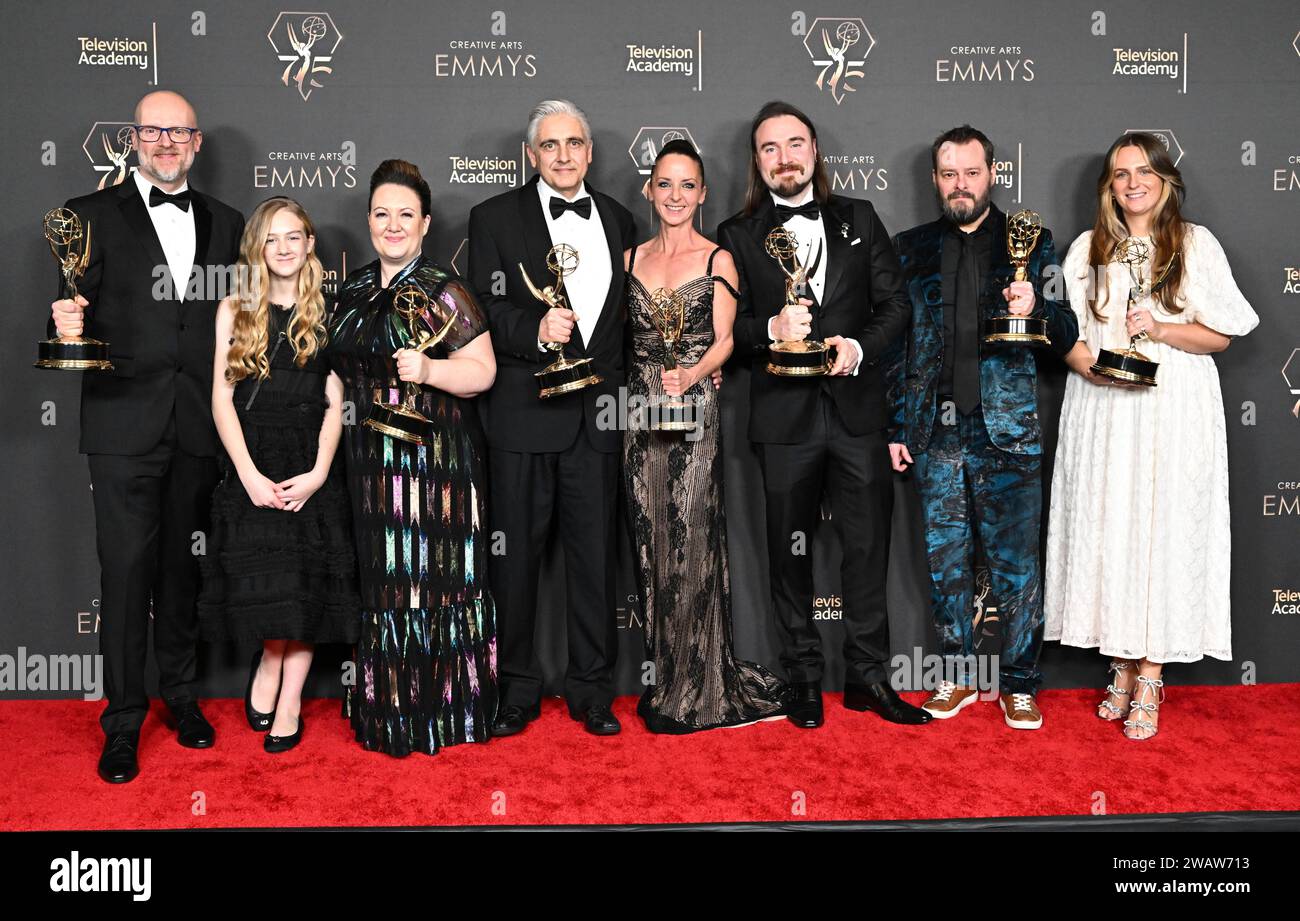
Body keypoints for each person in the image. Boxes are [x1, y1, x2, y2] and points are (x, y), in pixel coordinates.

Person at [48, 91, 244, 783]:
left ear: (196, 143)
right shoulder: (87, 218)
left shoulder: (228, 223)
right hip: (122, 426)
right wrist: (67, 323)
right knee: (127, 578)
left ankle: (183, 699)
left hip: (197, 425)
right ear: (134, 138)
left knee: (182, 574)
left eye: (180, 132)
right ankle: (124, 721)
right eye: (155, 130)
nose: (167, 142)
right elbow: (73, 305)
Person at [716, 100, 928, 729]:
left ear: (814, 150)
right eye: (770, 148)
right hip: (783, 422)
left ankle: (869, 680)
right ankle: (802, 679)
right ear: (757, 161)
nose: (785, 157)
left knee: (867, 551)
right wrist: (772, 328)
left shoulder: (859, 218)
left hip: (857, 413)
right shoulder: (736, 234)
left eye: (795, 144)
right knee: (789, 554)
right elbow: (728, 332)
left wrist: (858, 348)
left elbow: (896, 306)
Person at [1045, 133, 1258, 740]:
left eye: (1144, 171)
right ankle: (1118, 662)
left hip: (1175, 405)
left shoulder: (1194, 243)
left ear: (1166, 180)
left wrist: (1161, 329)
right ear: (1108, 185)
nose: (1132, 182)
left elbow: (1220, 335)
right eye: (1119, 173)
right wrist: (1101, 374)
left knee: (1164, 526)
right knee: (1110, 525)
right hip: (1105, 405)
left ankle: (1152, 671)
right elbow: (1068, 334)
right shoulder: (1088, 249)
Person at [887, 126, 1079, 730]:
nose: (960, 186)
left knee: (1016, 565)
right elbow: (897, 348)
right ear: (935, 180)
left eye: (971, 173)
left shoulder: (1032, 241)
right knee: (945, 565)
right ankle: (956, 678)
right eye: (948, 175)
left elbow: (1067, 334)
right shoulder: (909, 248)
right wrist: (898, 426)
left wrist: (1038, 310)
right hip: (934, 433)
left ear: (991, 173)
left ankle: (1020, 683)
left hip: (1009, 431)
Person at [467, 100, 636, 737]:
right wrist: (532, 328)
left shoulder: (621, 220)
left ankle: (591, 688)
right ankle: (516, 687)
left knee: (594, 563)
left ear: (590, 153)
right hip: (521, 418)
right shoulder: (494, 218)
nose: (563, 156)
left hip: (596, 423)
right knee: (514, 564)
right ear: (531, 155)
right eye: (550, 146)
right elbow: (481, 307)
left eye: (574, 144)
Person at [327, 159, 498, 757]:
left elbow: (483, 373)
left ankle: (444, 712)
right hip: (369, 463)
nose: (392, 225)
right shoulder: (349, 291)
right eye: (381, 214)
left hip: (437, 463)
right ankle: (388, 710)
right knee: (387, 581)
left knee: (436, 579)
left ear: (425, 223)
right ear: (368, 221)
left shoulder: (446, 289)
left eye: (405, 215)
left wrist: (429, 369)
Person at [623, 139, 787, 733]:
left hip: (692, 406)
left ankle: (697, 688)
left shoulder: (718, 258)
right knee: (649, 545)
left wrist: (693, 373)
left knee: (691, 541)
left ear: (702, 192)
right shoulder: (628, 258)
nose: (674, 195)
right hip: (638, 413)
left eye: (686, 185)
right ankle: (664, 677)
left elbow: (726, 340)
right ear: (649, 190)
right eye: (664, 184)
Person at [198, 197, 360, 753]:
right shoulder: (233, 310)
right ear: (256, 249)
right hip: (252, 458)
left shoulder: (332, 310)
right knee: (270, 584)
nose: (284, 248)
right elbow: (221, 400)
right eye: (272, 239)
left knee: (308, 584)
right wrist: (244, 472)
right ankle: (268, 662)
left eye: (294, 236)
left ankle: (290, 697)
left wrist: (318, 472)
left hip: (311, 460)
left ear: (311, 243)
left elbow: (337, 402)